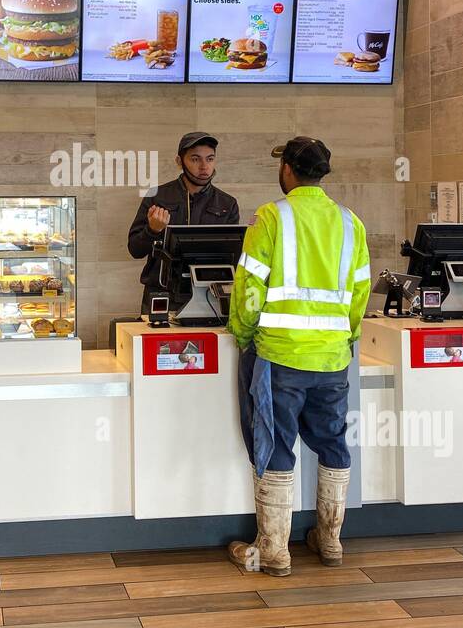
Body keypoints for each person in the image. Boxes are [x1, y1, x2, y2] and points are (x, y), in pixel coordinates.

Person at [226, 136, 371, 576]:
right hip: (332, 360)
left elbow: (249, 287)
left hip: (280, 355)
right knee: (332, 443)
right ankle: (330, 541)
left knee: (274, 446)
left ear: (288, 169)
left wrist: (243, 333)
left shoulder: (271, 217)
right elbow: (360, 292)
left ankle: (273, 551)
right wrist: (346, 339)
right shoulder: (350, 223)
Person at [127, 131, 240, 315]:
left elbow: (233, 257)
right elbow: (134, 249)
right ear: (179, 162)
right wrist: (152, 230)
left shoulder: (227, 203)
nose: (204, 166)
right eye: (195, 159)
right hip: (161, 296)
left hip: (210, 297)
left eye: (210, 159)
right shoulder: (157, 196)